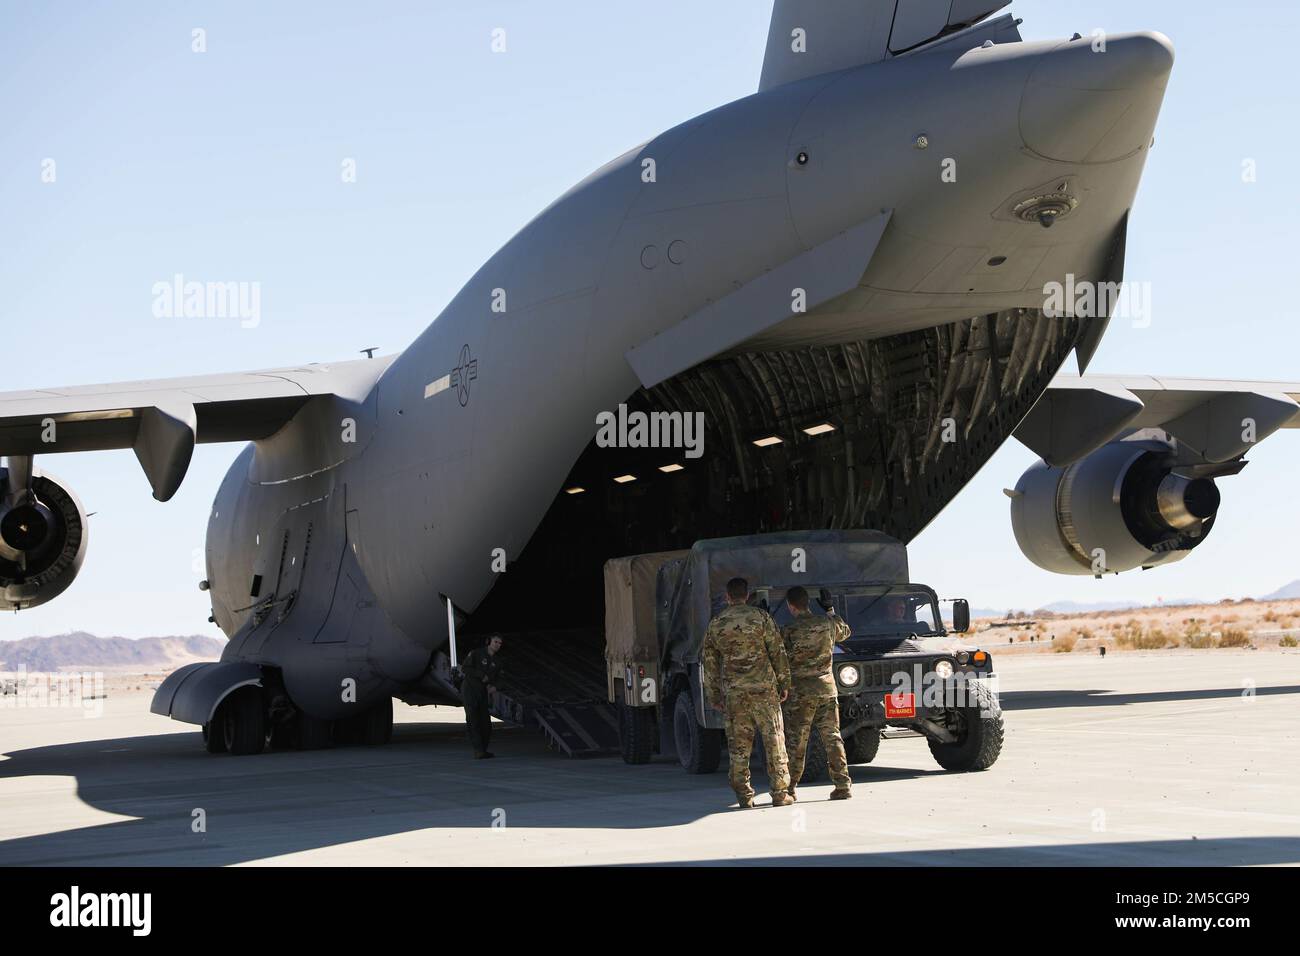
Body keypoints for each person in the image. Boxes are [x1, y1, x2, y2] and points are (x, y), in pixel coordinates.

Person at [701, 577, 793, 809]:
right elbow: (778, 652)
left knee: (739, 748)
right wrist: (784, 684)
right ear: (748, 595)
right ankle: (780, 794)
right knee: (774, 742)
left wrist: (714, 696)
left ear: (727, 597)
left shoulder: (717, 624)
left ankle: (744, 796)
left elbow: (709, 664)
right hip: (765, 693)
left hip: (735, 695)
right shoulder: (761, 618)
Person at [781, 585, 853, 800]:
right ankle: (842, 785)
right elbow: (846, 632)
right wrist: (830, 609)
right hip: (826, 689)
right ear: (808, 603)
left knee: (797, 740)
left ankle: (790, 788)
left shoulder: (790, 630)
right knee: (832, 736)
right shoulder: (827, 624)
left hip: (800, 692)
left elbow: (779, 655)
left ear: (791, 606)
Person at [461, 633, 503, 759]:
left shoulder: (497, 661)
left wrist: (495, 687)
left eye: (500, 643)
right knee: (473, 719)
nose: (498, 645)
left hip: (483, 692)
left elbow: (500, 678)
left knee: (486, 723)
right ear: (489, 641)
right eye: (496, 642)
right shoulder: (476, 654)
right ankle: (478, 750)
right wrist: (480, 675)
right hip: (470, 689)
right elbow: (465, 668)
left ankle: (483, 750)